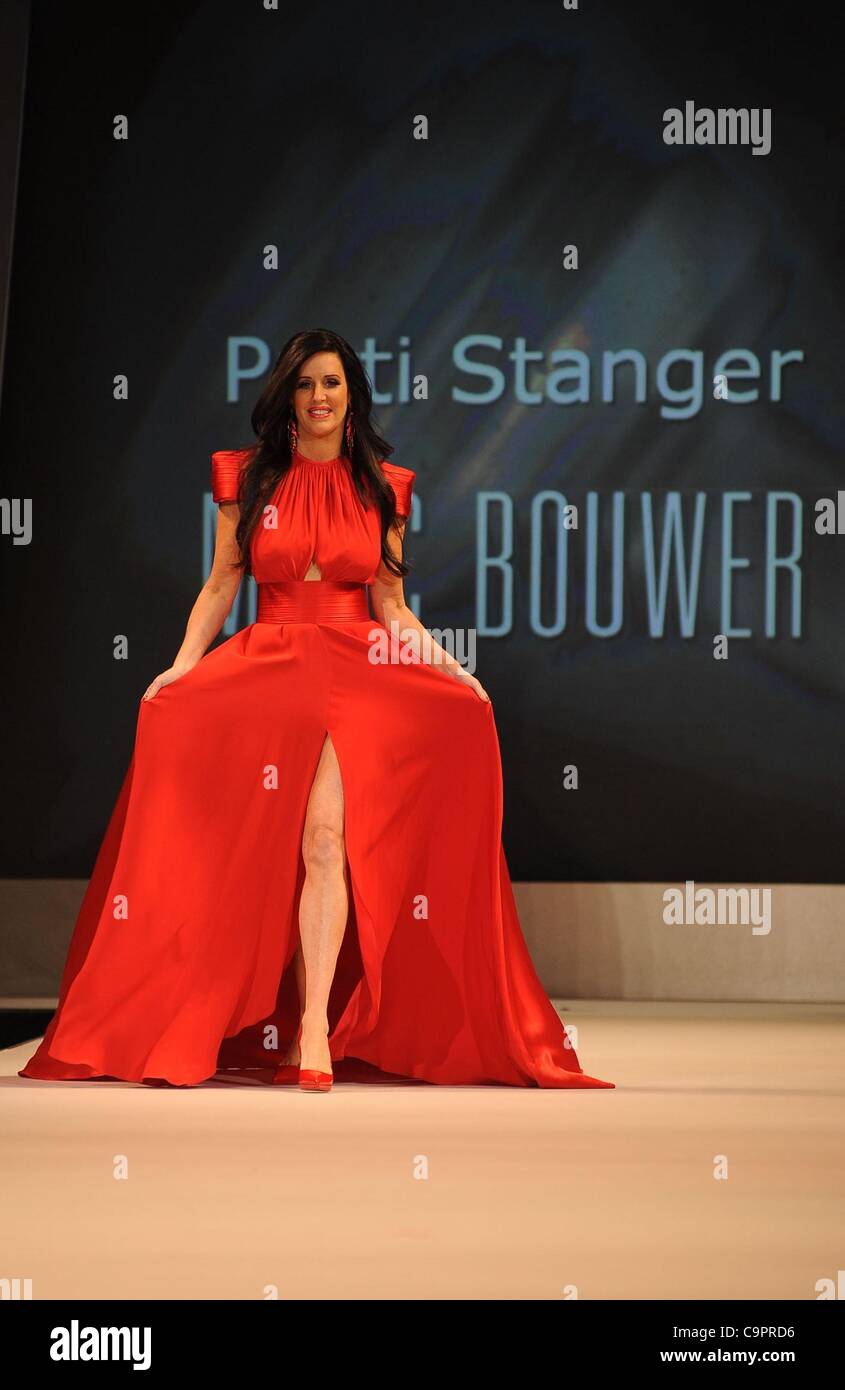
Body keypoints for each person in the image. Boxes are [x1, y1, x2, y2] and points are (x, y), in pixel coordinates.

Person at [19, 328, 613, 1093]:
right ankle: (232, 1011)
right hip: (268, 670)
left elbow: (392, 607)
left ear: (351, 396)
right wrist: (181, 666)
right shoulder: (247, 478)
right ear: (288, 398)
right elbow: (219, 587)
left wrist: (452, 671)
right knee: (272, 848)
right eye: (305, 384)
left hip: (360, 673)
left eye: (331, 383)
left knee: (325, 843)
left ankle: (312, 1031)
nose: (319, 397)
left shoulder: (384, 488)